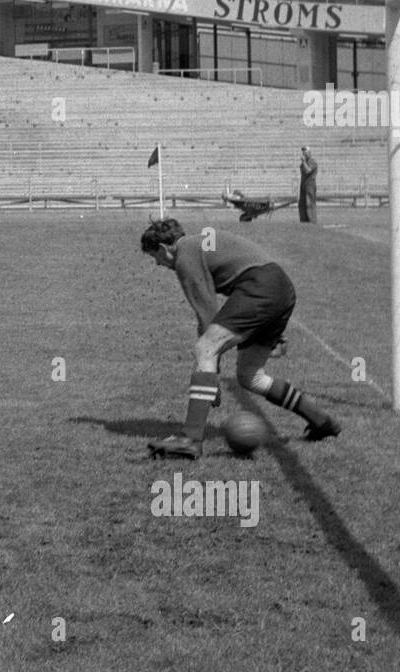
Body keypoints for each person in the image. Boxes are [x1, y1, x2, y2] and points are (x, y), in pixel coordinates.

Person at [140, 217, 341, 459]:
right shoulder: (198, 244)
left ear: (164, 248)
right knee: (251, 376)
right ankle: (322, 421)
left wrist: (210, 374)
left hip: (259, 288)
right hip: (280, 288)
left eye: (156, 258)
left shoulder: (185, 255)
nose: (159, 264)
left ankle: (190, 438)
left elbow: (207, 315)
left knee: (205, 348)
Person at [298, 146, 318, 223]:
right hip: (303, 185)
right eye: (303, 152)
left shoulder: (312, 162)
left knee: (309, 204)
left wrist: (303, 162)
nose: (303, 154)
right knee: (302, 204)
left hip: (310, 186)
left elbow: (308, 171)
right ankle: (303, 222)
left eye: (305, 152)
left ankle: (312, 222)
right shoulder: (303, 163)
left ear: (309, 153)